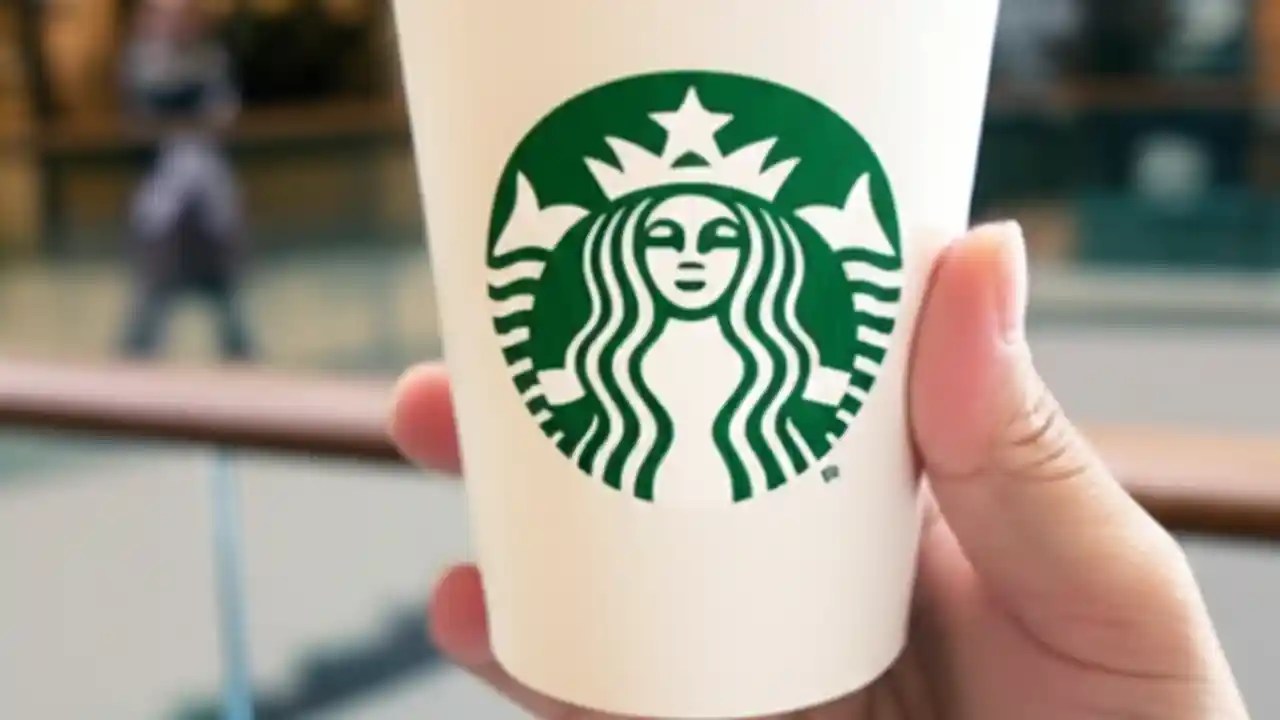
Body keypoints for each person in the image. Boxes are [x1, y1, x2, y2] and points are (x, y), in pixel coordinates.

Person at [390, 222, 1251, 719]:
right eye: (663, 236)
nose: (691, 258)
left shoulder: (776, 370)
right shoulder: (611, 370)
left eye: (720, 236)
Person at [120, 0, 252, 361]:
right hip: (164, 204)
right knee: (151, 299)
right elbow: (142, 126)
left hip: (208, 199)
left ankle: (246, 371)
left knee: (227, 300)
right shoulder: (141, 64)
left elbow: (221, 118)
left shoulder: (211, 61)